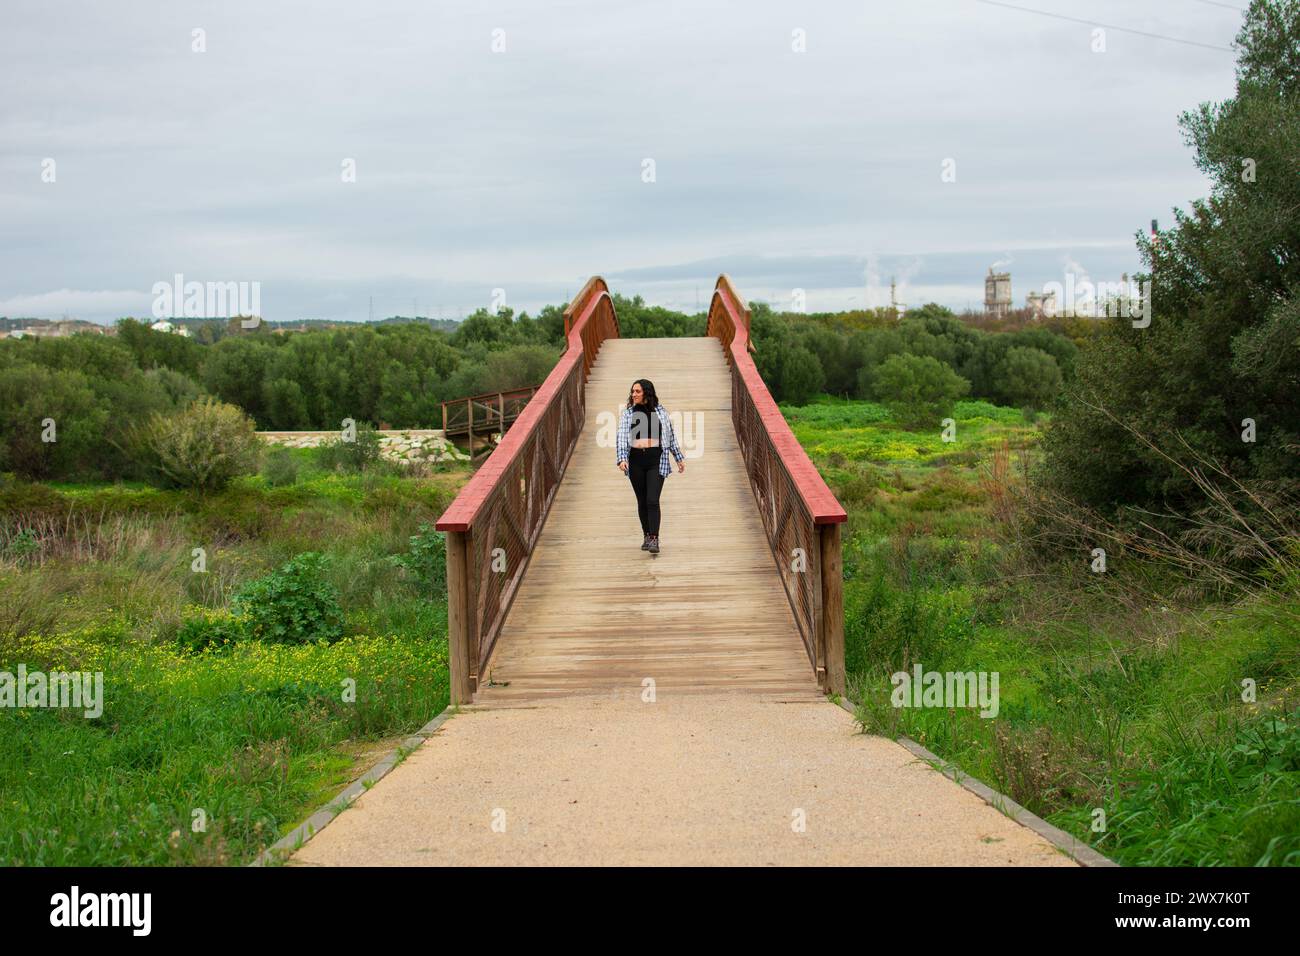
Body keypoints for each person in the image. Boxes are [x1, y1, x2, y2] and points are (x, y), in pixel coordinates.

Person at [615, 378, 685, 554]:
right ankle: (646, 535)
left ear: (646, 392)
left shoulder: (660, 412)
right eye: (632, 392)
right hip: (636, 462)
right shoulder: (628, 413)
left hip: (656, 461)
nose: (634, 395)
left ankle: (654, 537)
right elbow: (622, 438)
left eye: (637, 391)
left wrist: (678, 457)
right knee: (642, 501)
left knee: (652, 500)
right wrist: (622, 459)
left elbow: (670, 436)